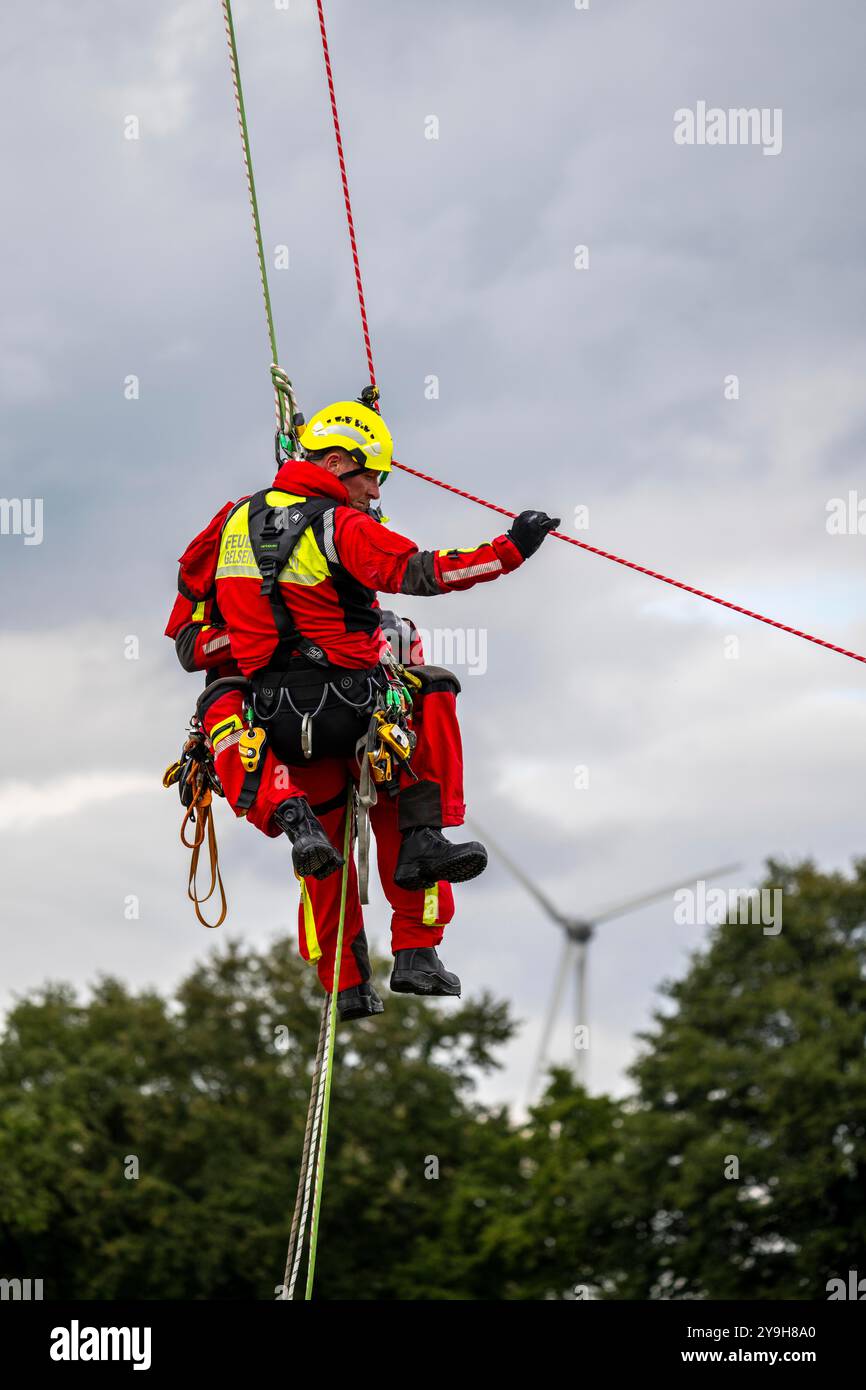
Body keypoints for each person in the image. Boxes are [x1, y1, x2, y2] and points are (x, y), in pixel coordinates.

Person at [165, 395, 558, 1017]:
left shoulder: (228, 524)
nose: (376, 492)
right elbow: (426, 572)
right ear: (344, 462)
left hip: (274, 723)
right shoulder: (342, 525)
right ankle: (418, 949)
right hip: (354, 707)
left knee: (321, 849)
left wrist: (255, 635)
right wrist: (512, 547)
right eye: (374, 475)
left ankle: (346, 985)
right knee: (428, 702)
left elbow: (189, 633)